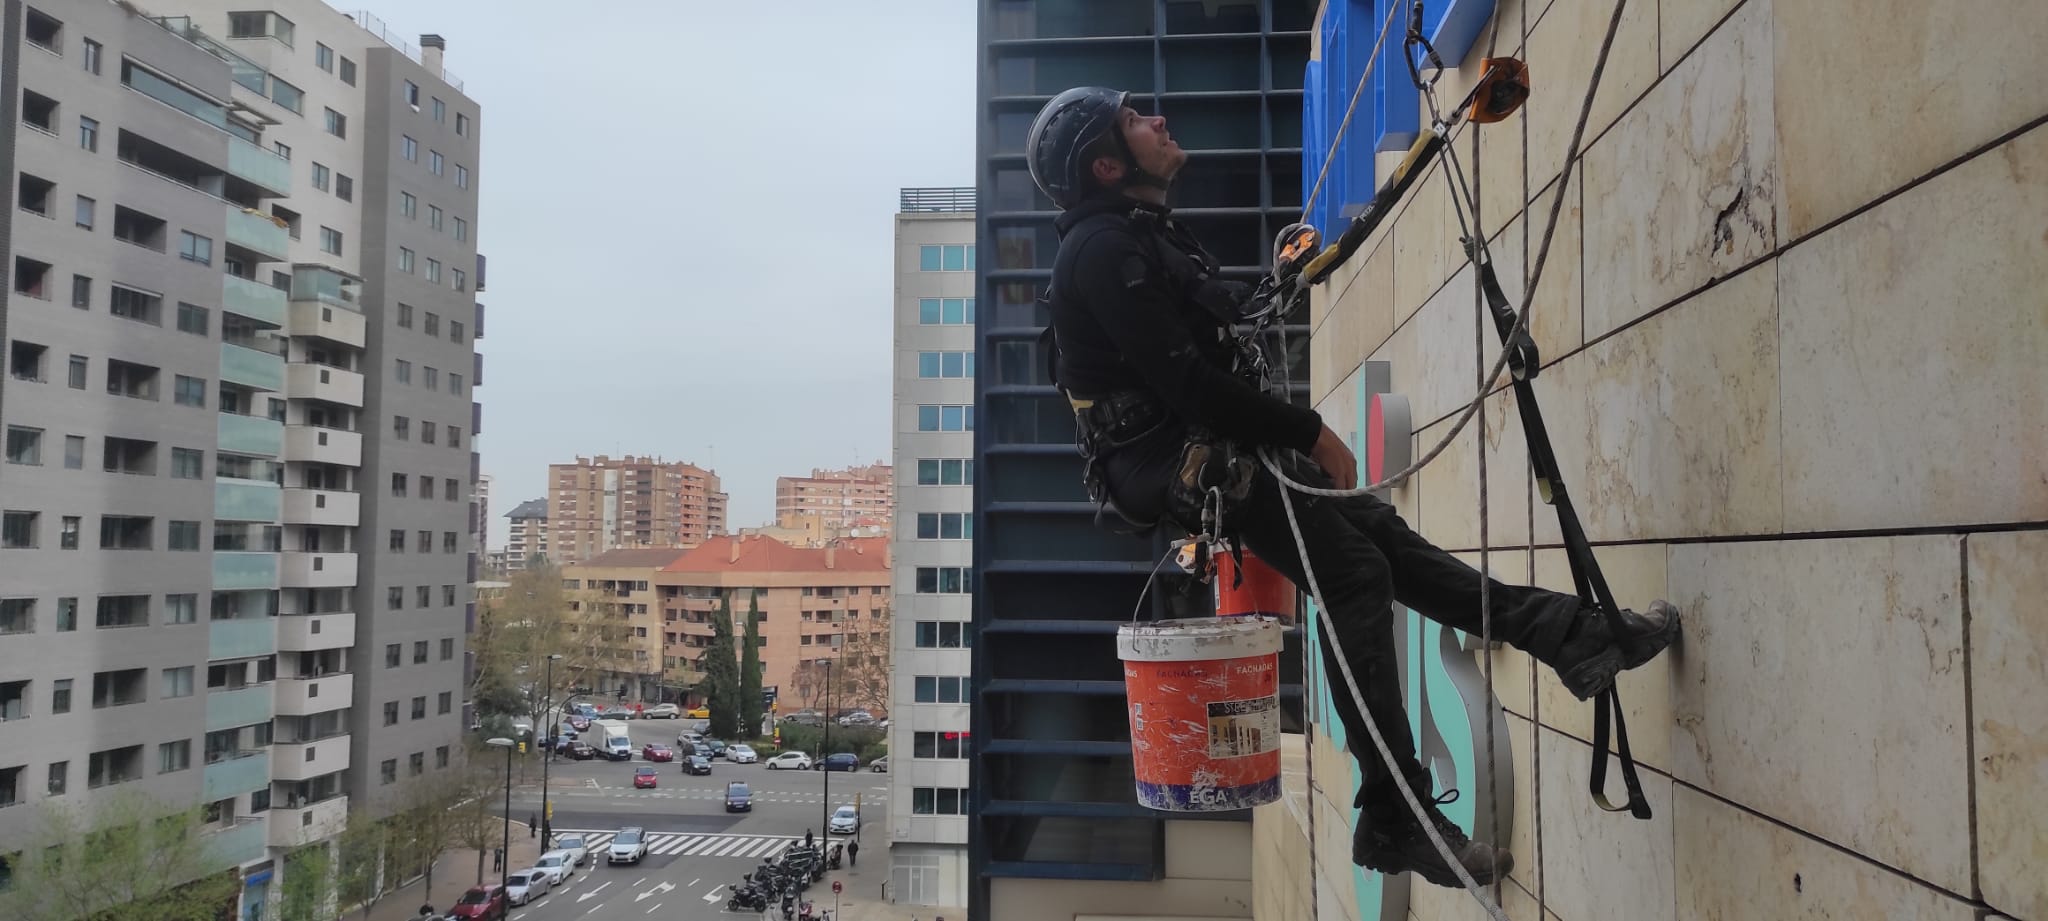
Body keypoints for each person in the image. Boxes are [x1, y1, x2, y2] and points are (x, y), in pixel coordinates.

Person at [1025, 86, 1681, 889]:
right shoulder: (1098, 251)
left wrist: (1281, 280)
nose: (1158, 120)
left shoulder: (1138, 235)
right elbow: (1190, 383)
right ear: (1107, 162)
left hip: (1214, 448)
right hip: (1192, 460)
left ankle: (1569, 635)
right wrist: (1308, 432)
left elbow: (1205, 333)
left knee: (1381, 544)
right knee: (1355, 571)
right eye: (1135, 122)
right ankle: (1396, 812)